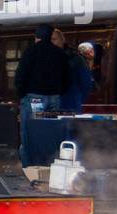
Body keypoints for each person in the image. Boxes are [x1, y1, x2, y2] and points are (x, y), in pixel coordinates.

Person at [14, 24, 71, 166]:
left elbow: (20, 75)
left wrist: (22, 94)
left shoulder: (31, 52)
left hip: (34, 98)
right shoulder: (60, 54)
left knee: (31, 132)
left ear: (37, 37)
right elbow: (68, 78)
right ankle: (49, 165)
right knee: (50, 132)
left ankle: (30, 166)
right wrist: (57, 92)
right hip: (54, 98)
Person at [60, 34, 95, 112]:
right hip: (70, 103)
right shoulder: (78, 60)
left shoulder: (76, 60)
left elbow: (86, 85)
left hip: (70, 104)